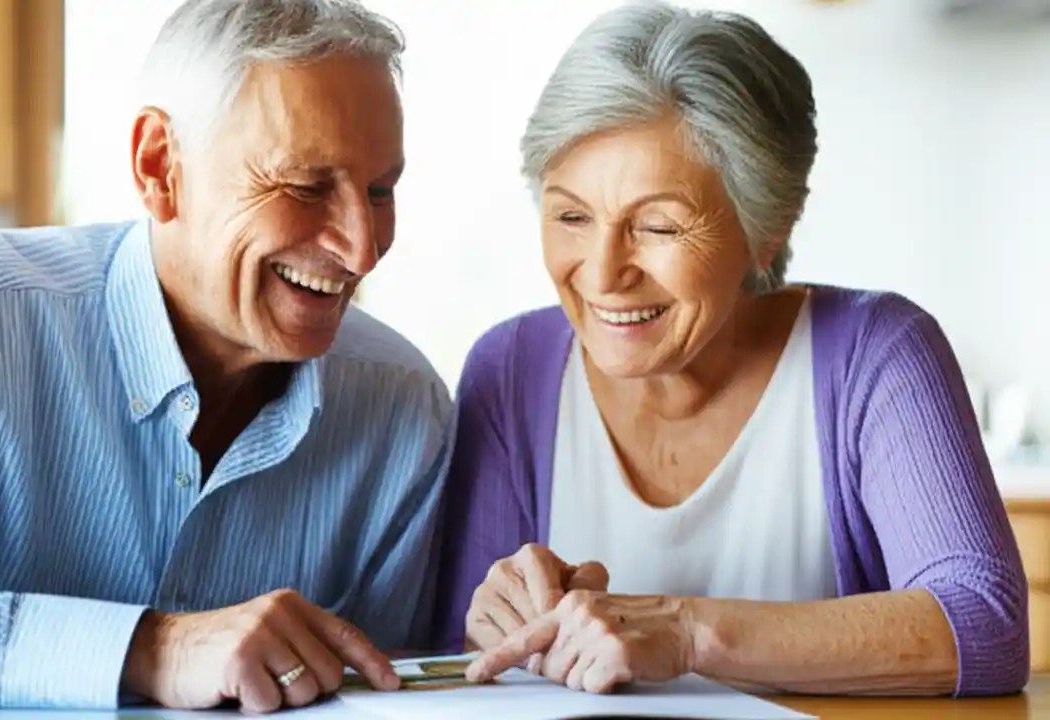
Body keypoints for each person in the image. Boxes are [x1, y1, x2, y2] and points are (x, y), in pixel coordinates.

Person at [0, 0, 452, 713]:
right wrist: (148, 648)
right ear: (159, 167)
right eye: (307, 186)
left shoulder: (404, 407)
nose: (362, 248)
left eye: (380, 191)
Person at [432, 0, 1027, 698]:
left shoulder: (877, 354)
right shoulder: (510, 370)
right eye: (570, 216)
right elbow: (459, 669)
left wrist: (687, 633)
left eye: (656, 226)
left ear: (765, 230)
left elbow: (984, 626)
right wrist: (494, 622)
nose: (601, 274)